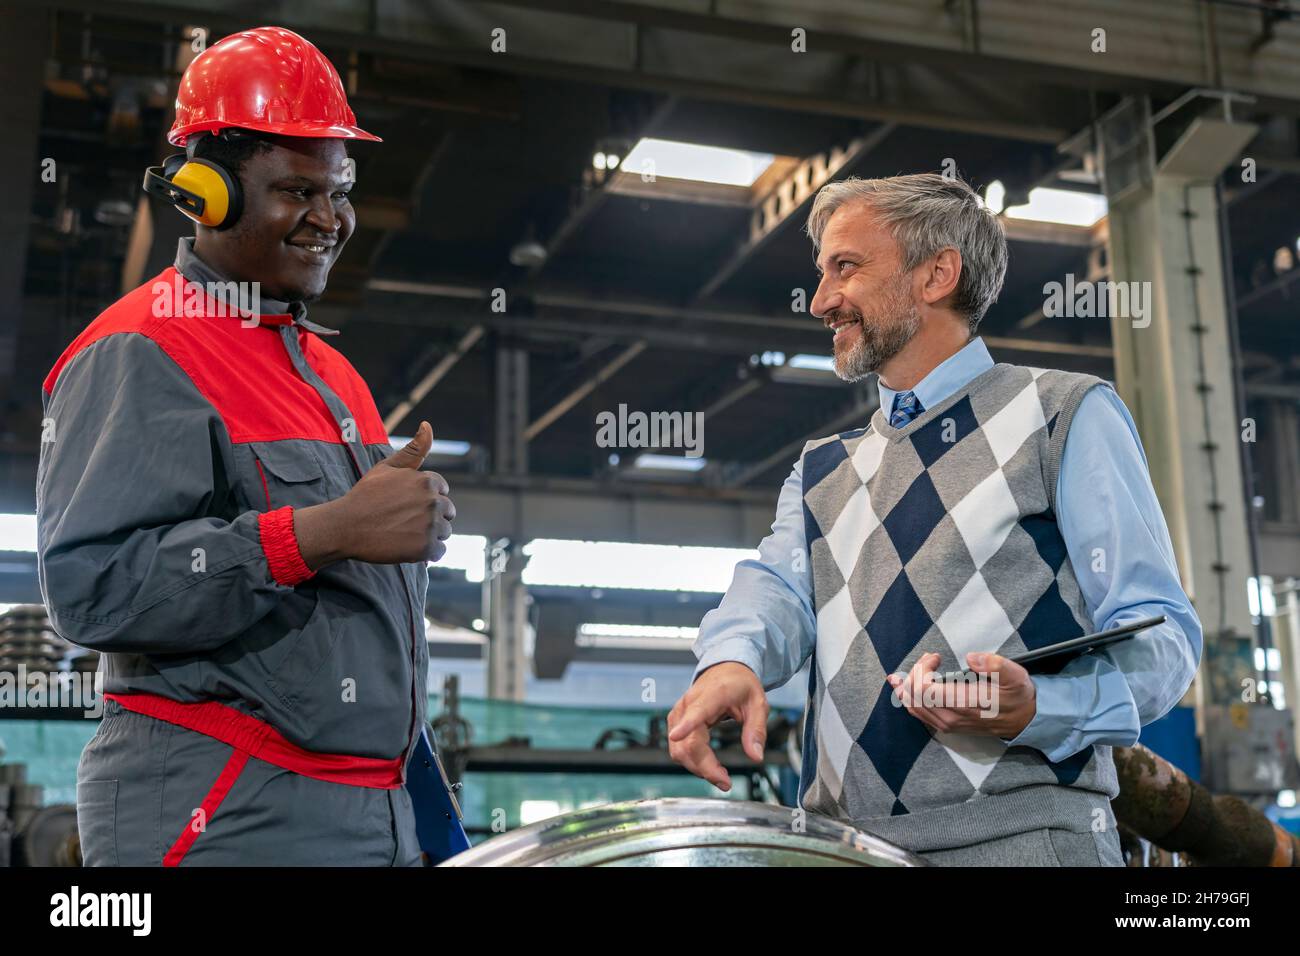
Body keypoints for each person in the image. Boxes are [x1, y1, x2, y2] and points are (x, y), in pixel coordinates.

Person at [668, 173, 1202, 866]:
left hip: (1025, 846)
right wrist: (730, 662)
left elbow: (1164, 641)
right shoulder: (825, 467)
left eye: (846, 268)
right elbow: (777, 587)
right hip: (846, 852)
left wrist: (1041, 707)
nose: (823, 300)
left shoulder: (1062, 417)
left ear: (936, 275)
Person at [36, 26, 455, 866]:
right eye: (298, 191)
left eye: (339, 192)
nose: (330, 221)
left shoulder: (333, 374)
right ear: (207, 193)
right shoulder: (144, 348)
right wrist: (323, 532)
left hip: (373, 811)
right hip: (224, 814)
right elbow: (93, 590)